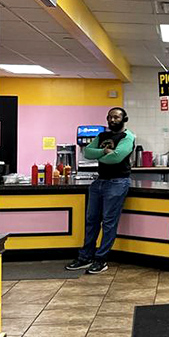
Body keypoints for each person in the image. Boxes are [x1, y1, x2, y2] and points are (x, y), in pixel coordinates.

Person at [65, 107, 135, 274]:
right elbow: (87, 152)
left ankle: (101, 259)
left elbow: (116, 157)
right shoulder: (102, 136)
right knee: (91, 221)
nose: (112, 120)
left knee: (109, 223)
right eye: (110, 117)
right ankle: (85, 257)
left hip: (118, 182)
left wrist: (99, 154)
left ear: (124, 119)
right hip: (100, 182)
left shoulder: (127, 136)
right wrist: (103, 151)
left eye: (117, 117)